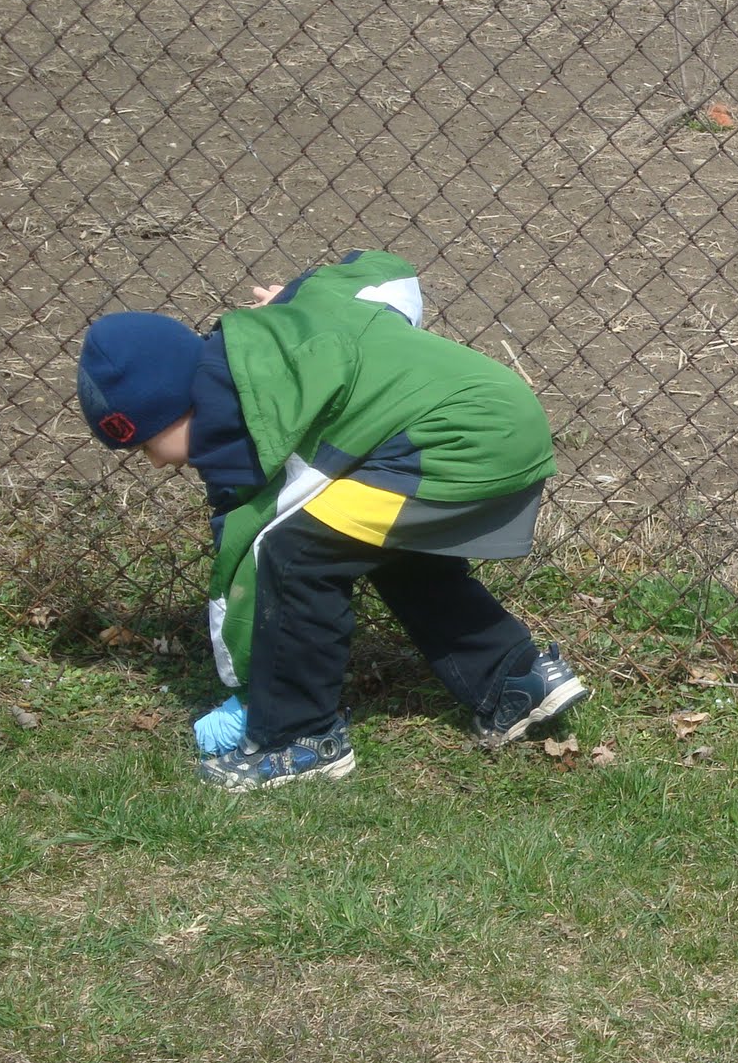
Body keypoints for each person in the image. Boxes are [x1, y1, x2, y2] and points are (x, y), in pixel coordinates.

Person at [76, 249, 589, 790]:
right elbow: (385, 272)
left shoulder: (240, 418)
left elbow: (247, 560)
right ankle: (516, 678)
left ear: (174, 401)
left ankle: (300, 740)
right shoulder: (286, 329)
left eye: (145, 442)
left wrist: (250, 691)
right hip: (500, 417)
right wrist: (293, 297)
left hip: (451, 446)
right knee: (381, 548)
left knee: (293, 555)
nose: (156, 462)